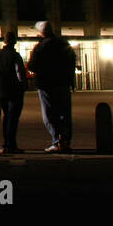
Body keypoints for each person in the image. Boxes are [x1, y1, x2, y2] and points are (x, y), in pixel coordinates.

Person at [26, 20, 75, 153]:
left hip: (46, 84)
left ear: (41, 33)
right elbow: (72, 62)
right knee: (64, 113)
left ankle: (56, 140)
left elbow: (32, 66)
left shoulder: (41, 47)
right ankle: (65, 141)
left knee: (49, 114)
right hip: (63, 83)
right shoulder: (63, 43)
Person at [0, 31, 27, 153]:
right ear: (14, 42)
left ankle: (6, 142)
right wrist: (23, 86)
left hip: (1, 90)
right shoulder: (15, 56)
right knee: (13, 117)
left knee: (6, 116)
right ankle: (11, 144)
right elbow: (20, 74)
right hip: (14, 90)